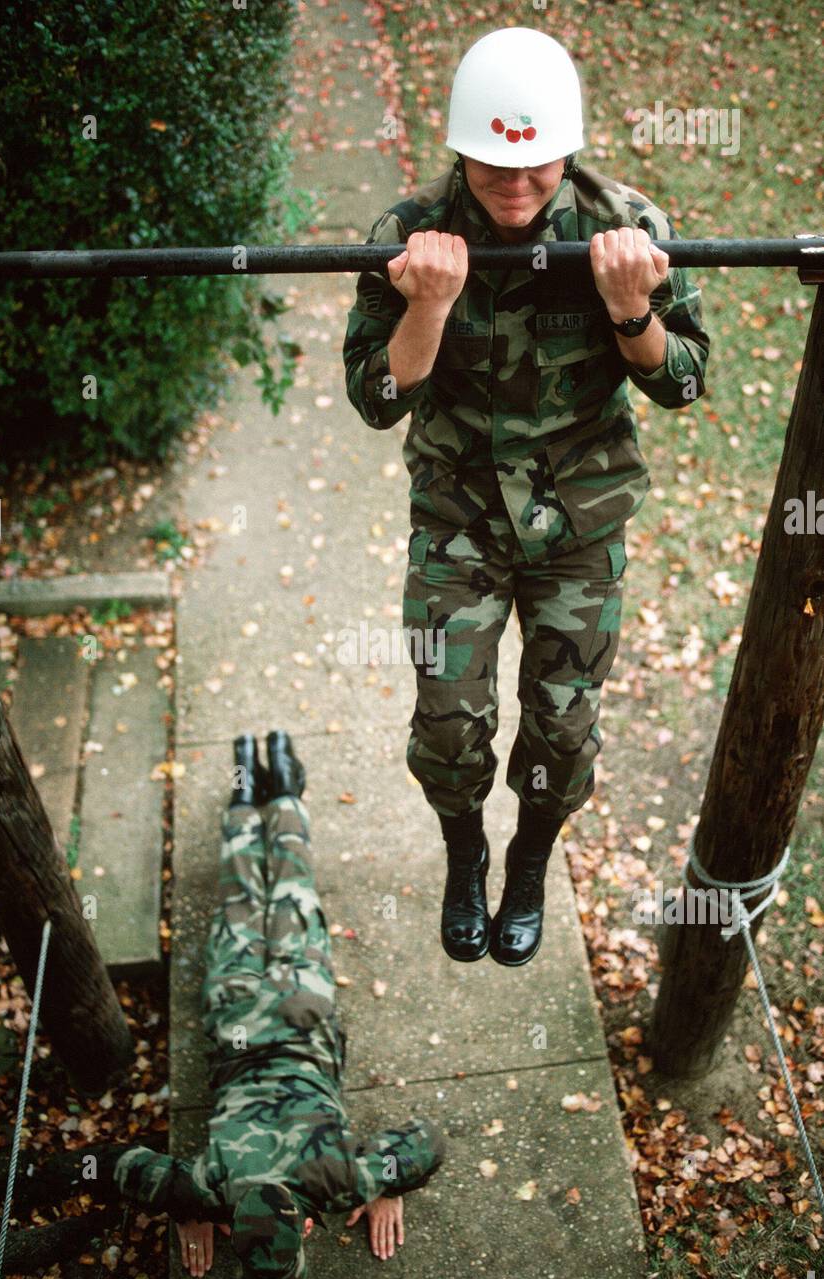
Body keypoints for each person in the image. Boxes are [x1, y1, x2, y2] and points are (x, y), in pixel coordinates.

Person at [343, 26, 709, 968]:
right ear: (461, 150)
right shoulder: (407, 234)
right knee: (447, 719)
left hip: (579, 523)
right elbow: (378, 402)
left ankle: (530, 862)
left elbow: (684, 386)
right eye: (494, 169)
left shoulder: (625, 223)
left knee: (562, 725)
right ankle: (465, 857)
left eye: (535, 169)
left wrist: (632, 309)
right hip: (459, 515)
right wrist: (426, 305)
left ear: (567, 151)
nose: (515, 190)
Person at [106, 732, 445, 1279]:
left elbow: (427, 1140)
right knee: (241, 893)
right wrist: (184, 1207)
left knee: (291, 887)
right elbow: (122, 1167)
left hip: (302, 1006)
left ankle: (282, 779)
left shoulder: (340, 1178)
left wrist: (389, 1183)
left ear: (307, 1227)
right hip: (236, 1012)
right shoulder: (207, 1187)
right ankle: (247, 774)